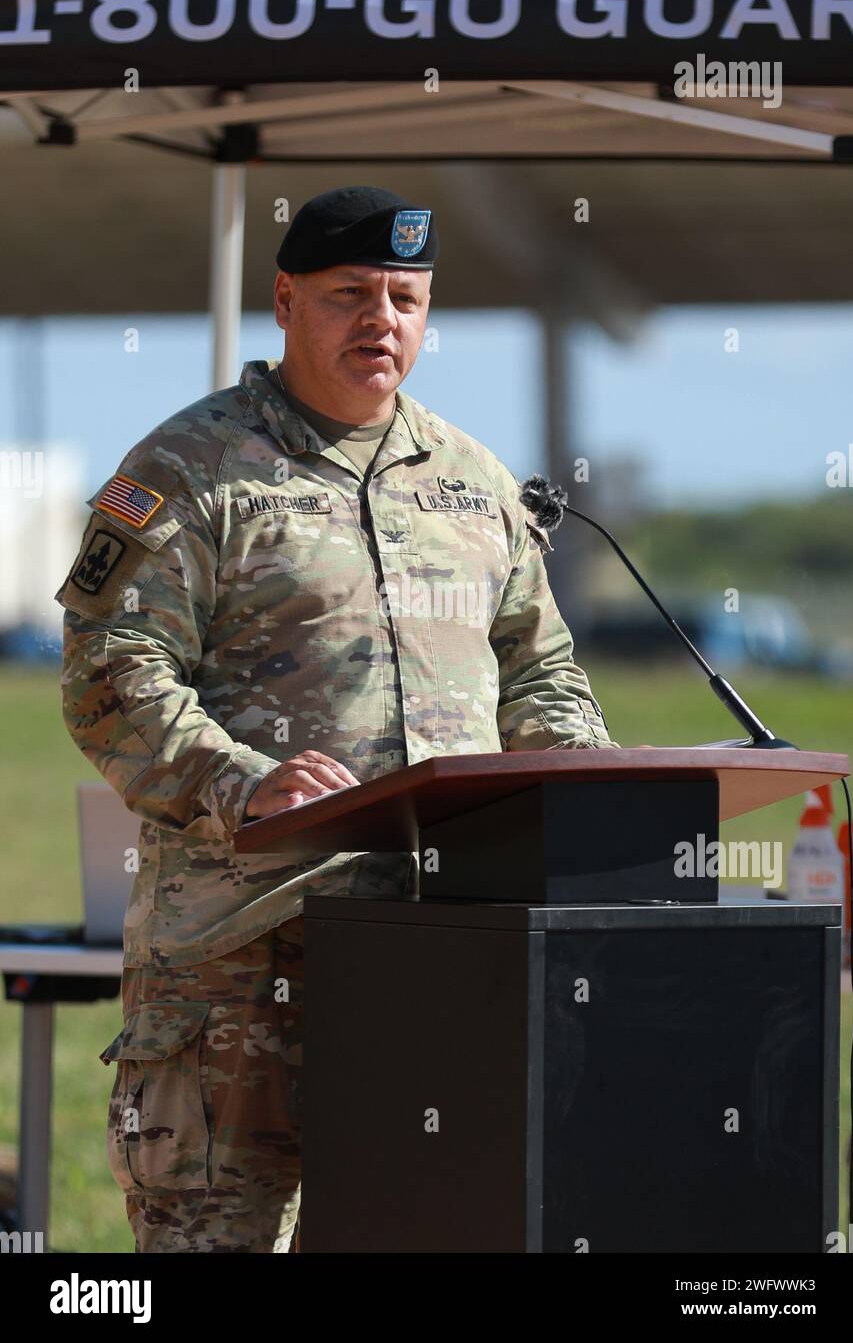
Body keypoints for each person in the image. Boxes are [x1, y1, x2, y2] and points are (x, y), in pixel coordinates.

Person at [55, 185, 617, 1253]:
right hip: (241, 954)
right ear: (282, 299)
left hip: (442, 952)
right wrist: (237, 777)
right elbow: (108, 670)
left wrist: (594, 799)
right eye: (349, 294)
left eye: (405, 298)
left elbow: (537, 673)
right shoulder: (187, 469)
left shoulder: (472, 483)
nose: (381, 322)